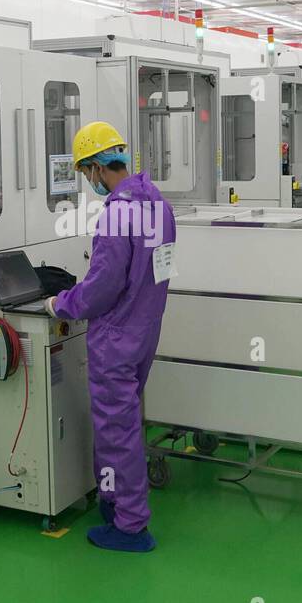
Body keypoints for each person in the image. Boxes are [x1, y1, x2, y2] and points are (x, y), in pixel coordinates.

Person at [45, 121, 176, 553]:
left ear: (98, 169)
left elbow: (101, 288)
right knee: (123, 424)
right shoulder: (157, 204)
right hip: (145, 328)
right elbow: (159, 268)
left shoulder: (117, 215)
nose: (89, 182)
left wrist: (60, 304)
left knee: (116, 432)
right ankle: (114, 500)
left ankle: (131, 525)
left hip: (115, 338)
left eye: (87, 173)